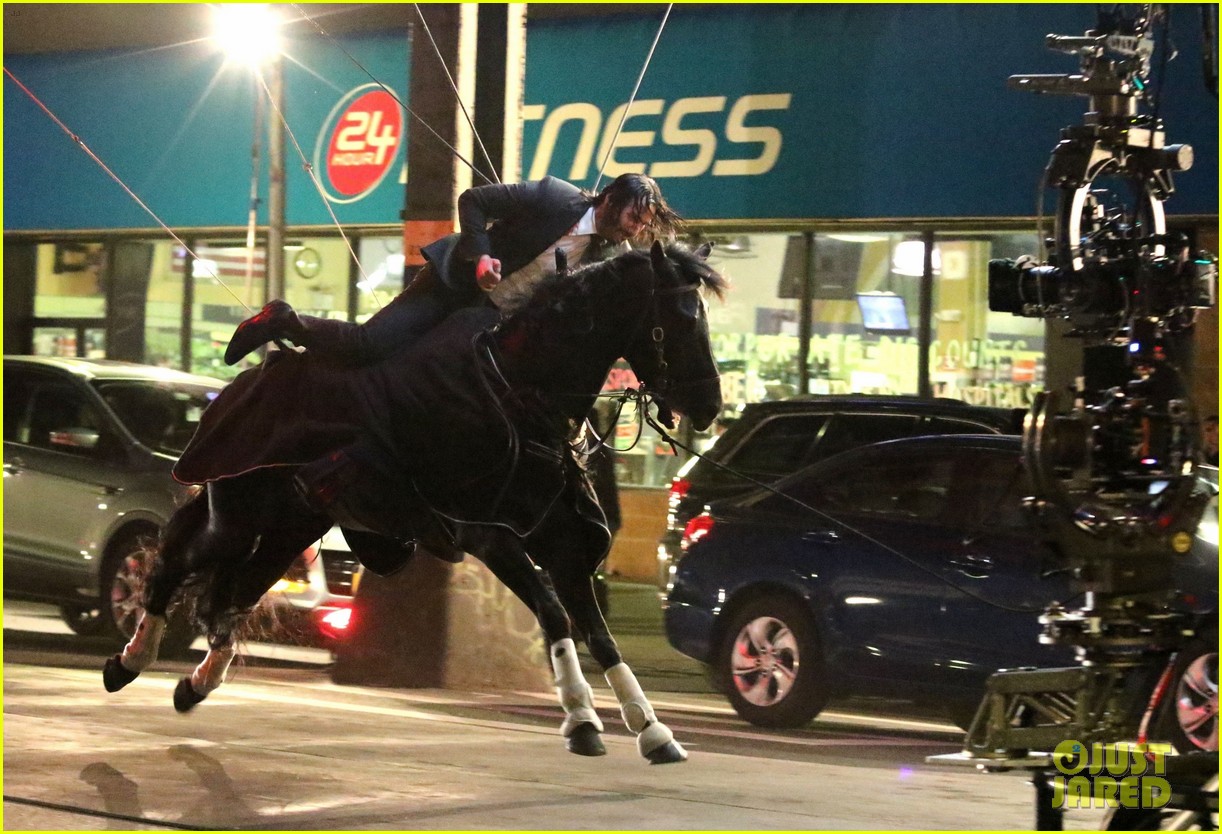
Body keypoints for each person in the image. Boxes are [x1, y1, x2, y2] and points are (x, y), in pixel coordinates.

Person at [224, 173, 683, 366]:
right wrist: (481, 255)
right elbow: (474, 200)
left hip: (492, 322)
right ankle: (282, 320)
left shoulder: (602, 255)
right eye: (632, 219)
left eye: (643, 226)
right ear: (611, 201)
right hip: (454, 286)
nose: (634, 232)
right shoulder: (552, 196)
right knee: (372, 345)